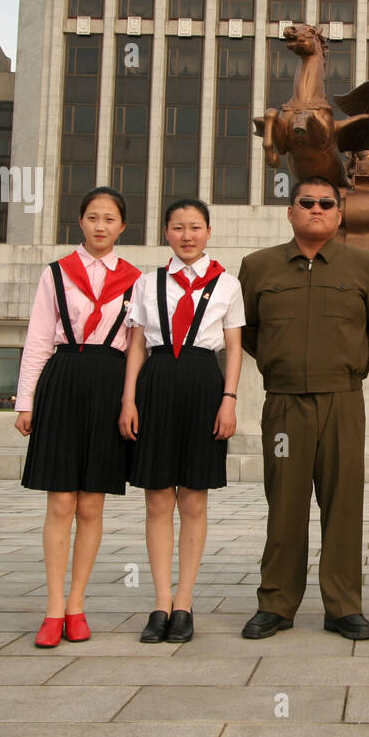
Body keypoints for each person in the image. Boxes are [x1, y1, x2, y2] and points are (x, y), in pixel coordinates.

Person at [237, 176, 369, 642]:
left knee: (343, 503)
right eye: (307, 203)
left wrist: (351, 367)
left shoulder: (365, 265)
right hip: (284, 403)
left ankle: (343, 607)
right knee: (284, 502)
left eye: (327, 203)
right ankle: (277, 604)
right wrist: (275, 363)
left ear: (340, 213)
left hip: (343, 401)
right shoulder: (258, 266)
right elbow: (245, 329)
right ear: (290, 212)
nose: (317, 209)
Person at [16, 186, 142, 649]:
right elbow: (36, 341)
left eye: (109, 218)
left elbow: (136, 348)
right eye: (92, 217)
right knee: (60, 502)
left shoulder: (134, 280)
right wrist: (25, 401)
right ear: (81, 223)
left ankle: (77, 605)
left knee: (91, 504)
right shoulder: (56, 273)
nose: (101, 226)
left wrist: (130, 400)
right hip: (64, 381)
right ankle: (52, 609)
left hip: (109, 386)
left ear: (122, 226)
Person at [120, 198, 242, 644]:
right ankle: (159, 602)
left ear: (208, 231)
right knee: (156, 498)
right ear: (166, 233)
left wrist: (228, 399)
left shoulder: (228, 284)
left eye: (195, 227)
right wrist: (128, 398)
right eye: (177, 227)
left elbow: (232, 347)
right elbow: (136, 344)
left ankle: (185, 603)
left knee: (193, 498)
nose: (187, 235)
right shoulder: (146, 282)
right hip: (155, 383)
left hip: (203, 384)